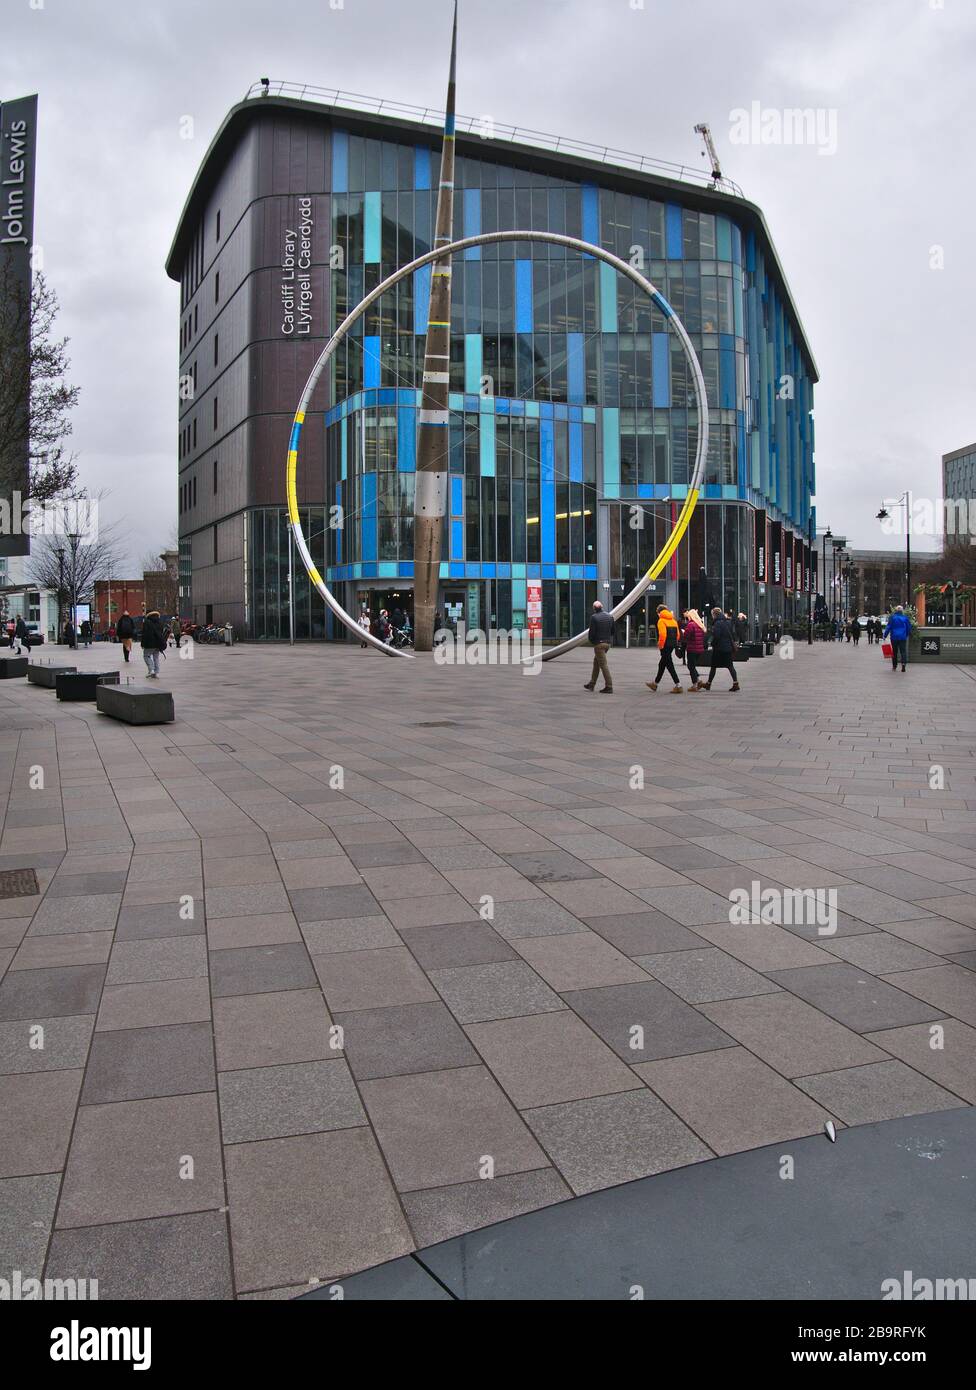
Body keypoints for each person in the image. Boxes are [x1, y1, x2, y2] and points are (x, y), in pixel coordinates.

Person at [702, 606, 740, 691]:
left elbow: (717, 636)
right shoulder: (728, 622)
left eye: (712, 615)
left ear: (714, 615)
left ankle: (708, 684)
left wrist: (712, 643)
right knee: (730, 666)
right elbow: (732, 633)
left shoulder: (717, 623)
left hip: (719, 649)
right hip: (728, 648)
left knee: (713, 666)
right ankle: (736, 683)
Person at [646, 605, 683, 693]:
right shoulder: (673, 621)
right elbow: (678, 634)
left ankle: (678, 684)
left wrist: (660, 645)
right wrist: (674, 643)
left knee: (669, 665)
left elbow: (663, 634)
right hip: (672, 645)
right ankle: (655, 683)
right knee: (662, 664)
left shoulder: (661, 621)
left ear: (659, 612)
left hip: (665, 645)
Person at [583, 600, 614, 694]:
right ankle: (591, 684)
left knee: (603, 665)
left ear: (594, 608)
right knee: (596, 663)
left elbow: (591, 632)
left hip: (599, 644)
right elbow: (613, 631)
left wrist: (593, 642)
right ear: (602, 606)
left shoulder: (594, 617)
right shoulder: (610, 616)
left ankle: (609, 686)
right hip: (607, 643)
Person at [680, 608, 707, 690]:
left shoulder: (691, 624)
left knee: (691, 666)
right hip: (699, 649)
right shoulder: (700, 624)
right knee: (692, 666)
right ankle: (698, 681)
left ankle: (695, 684)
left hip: (692, 648)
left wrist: (684, 632)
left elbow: (686, 636)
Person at [883, 605, 911, 672]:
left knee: (894, 652)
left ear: (896, 610)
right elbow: (908, 628)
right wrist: (906, 634)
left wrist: (885, 635)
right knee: (903, 652)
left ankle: (894, 666)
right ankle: (903, 665)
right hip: (902, 637)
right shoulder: (905, 618)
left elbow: (888, 627)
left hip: (894, 637)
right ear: (902, 610)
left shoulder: (892, 617)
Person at [140, 609, 167, 679]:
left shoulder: (147, 622)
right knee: (156, 657)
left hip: (149, 643)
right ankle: (156, 673)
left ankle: (151, 670)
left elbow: (145, 634)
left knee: (146, 656)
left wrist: (142, 644)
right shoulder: (160, 621)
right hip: (158, 643)